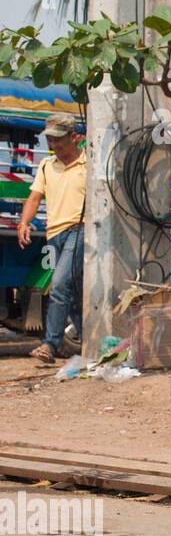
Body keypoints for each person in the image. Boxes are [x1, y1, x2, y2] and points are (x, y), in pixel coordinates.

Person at [17, 114, 86, 363]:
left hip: (79, 229)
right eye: (51, 140)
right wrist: (24, 222)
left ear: (74, 137)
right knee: (74, 291)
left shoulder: (89, 163)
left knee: (58, 285)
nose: (54, 145)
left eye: (59, 140)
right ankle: (91, 344)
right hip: (53, 234)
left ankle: (50, 343)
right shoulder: (46, 165)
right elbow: (34, 197)